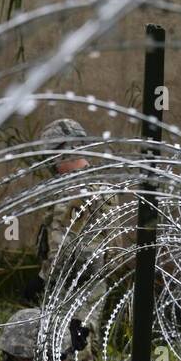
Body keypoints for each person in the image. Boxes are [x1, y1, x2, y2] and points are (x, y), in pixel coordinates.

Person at [26, 117, 117, 306]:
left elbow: (62, 250)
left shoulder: (71, 192)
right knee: (84, 335)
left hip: (66, 290)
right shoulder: (103, 183)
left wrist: (43, 281)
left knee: (59, 335)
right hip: (94, 286)